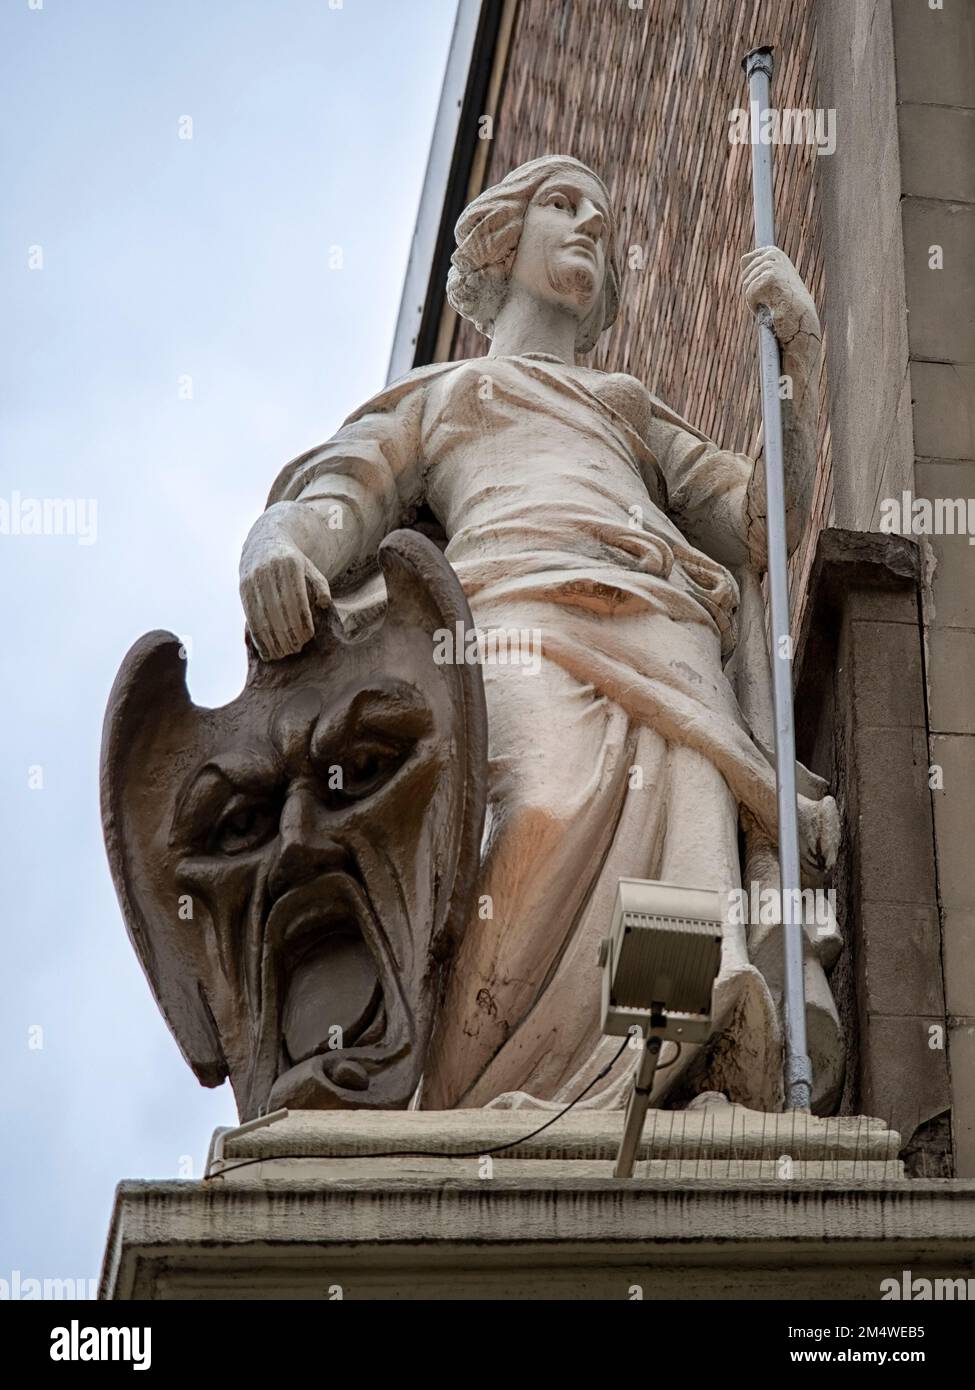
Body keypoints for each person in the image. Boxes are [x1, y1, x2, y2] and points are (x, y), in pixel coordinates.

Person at [239, 155, 840, 1113]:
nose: (589, 230)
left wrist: (796, 368)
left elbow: (758, 520)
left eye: (601, 221)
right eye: (563, 207)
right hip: (514, 622)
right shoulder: (442, 394)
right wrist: (276, 548)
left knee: (678, 860)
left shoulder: (630, 410)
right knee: (537, 815)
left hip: (666, 635)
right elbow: (338, 502)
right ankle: (466, 1098)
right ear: (501, 241)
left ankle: (652, 1077)